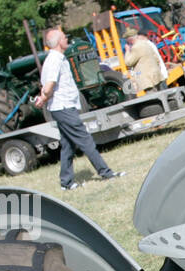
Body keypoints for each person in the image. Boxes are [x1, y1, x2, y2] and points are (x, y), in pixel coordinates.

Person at [32, 27, 124, 190]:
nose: (67, 40)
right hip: (63, 107)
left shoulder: (56, 58)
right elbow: (49, 85)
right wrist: (43, 98)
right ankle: (106, 172)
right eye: (64, 38)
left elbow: (46, 84)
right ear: (59, 42)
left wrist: (44, 96)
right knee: (85, 139)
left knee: (68, 145)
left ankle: (66, 182)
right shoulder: (55, 60)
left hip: (64, 107)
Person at [122, 27, 166, 94]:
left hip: (148, 79)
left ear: (130, 39)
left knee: (153, 98)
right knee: (162, 95)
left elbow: (128, 62)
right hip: (156, 75)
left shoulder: (136, 47)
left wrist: (127, 50)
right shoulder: (146, 43)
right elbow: (156, 59)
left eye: (127, 40)